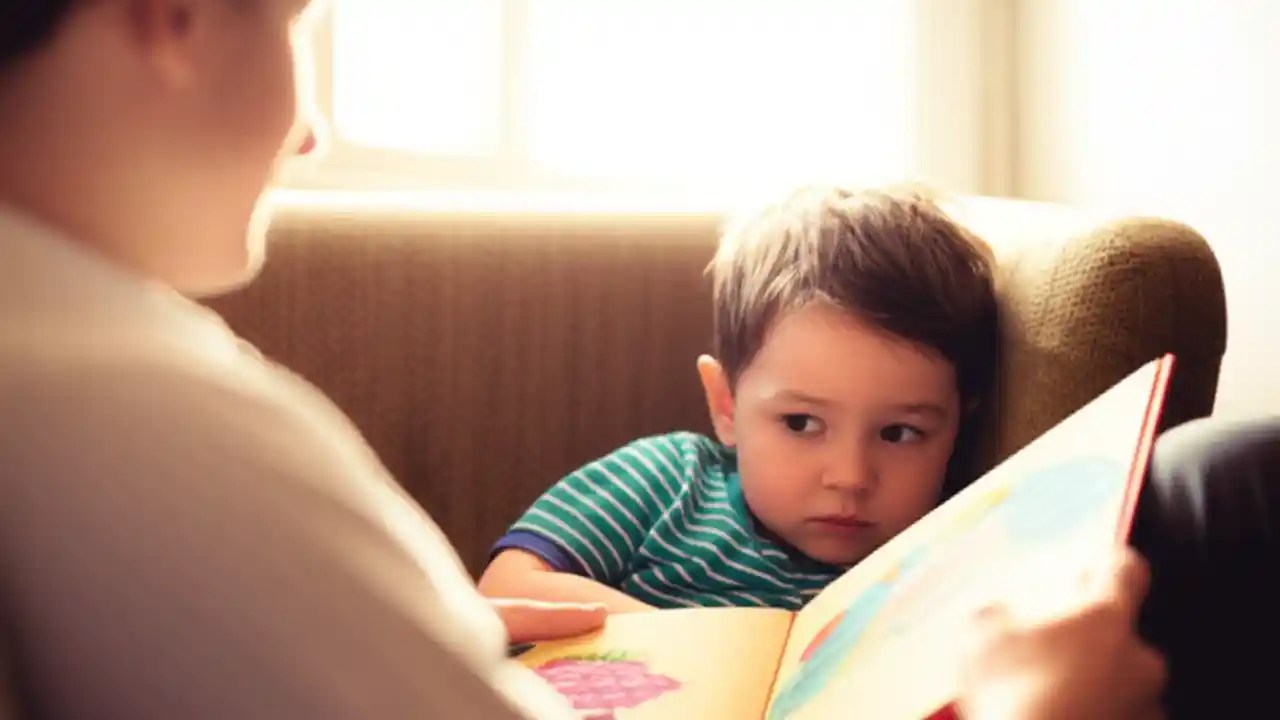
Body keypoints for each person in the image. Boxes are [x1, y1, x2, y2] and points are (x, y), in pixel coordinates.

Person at [0, 1, 1268, 718]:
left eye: (900, 430)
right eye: (295, 20)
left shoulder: (80, 354)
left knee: (1218, 477)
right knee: (1232, 489)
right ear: (170, 16)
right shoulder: (124, 398)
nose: (313, 131)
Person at [479, 186, 999, 612]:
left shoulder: (945, 555)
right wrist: (681, 642)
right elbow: (505, 588)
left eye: (899, 433)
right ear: (726, 405)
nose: (850, 476)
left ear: (959, 424)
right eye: (801, 423)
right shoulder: (667, 480)